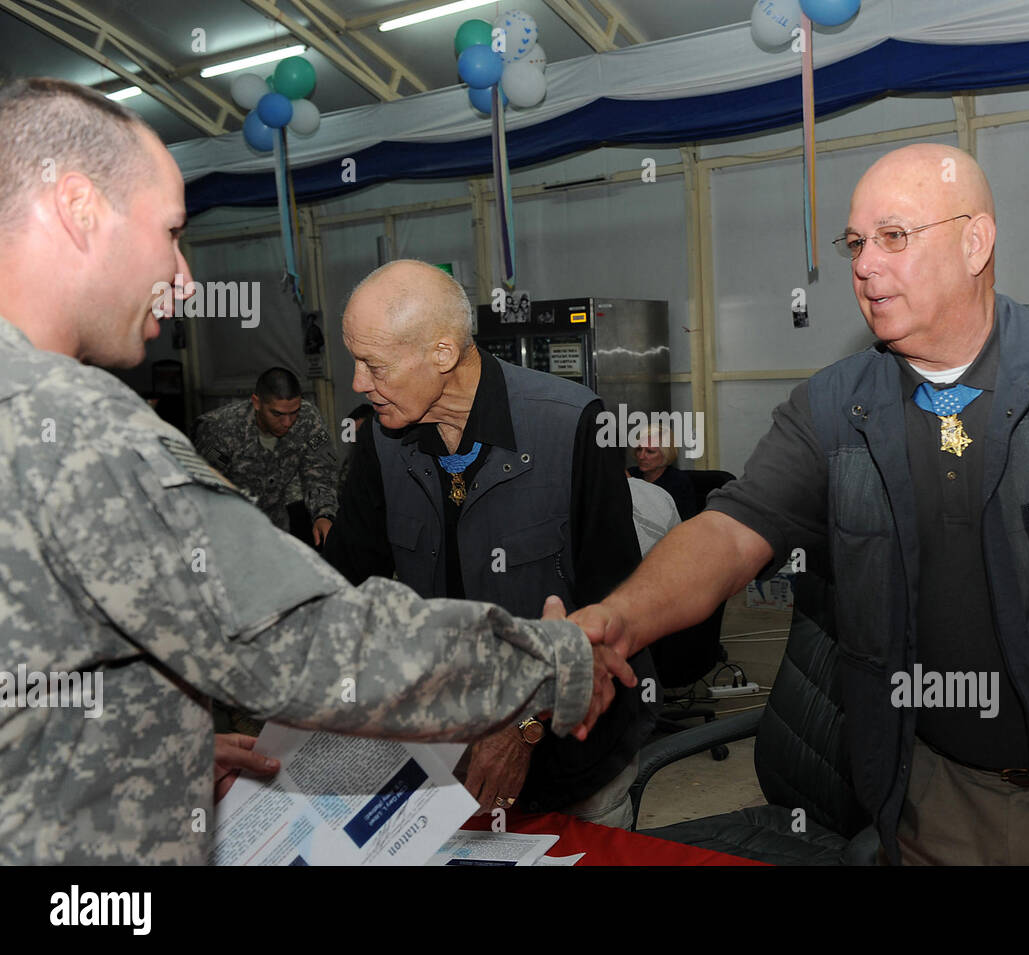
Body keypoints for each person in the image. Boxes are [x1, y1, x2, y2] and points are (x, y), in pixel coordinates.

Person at [569, 143, 1029, 866]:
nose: (862, 264)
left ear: (975, 241)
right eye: (856, 242)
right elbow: (727, 535)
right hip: (941, 811)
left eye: (893, 237)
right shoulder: (832, 410)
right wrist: (618, 619)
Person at [0, 76, 633, 865]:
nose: (186, 276)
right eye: (169, 231)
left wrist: (162, 745)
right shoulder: (73, 426)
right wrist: (552, 659)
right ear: (78, 209)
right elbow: (304, 636)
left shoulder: (568, 424)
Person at [324, 261, 654, 828]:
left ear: (443, 353)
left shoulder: (572, 426)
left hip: (573, 756)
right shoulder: (381, 440)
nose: (356, 383)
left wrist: (524, 727)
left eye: (373, 365)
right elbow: (344, 589)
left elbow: (615, 617)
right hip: (448, 752)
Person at [193, 366, 338, 547]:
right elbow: (206, 488)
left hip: (277, 528)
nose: (287, 423)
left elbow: (320, 471)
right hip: (229, 530)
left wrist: (324, 514)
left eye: (294, 412)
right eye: (277, 414)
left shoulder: (308, 419)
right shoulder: (220, 429)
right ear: (256, 402)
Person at [629, 423, 697, 520]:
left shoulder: (678, 482)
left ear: (666, 453)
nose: (641, 456)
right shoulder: (631, 474)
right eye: (639, 449)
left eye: (650, 451)